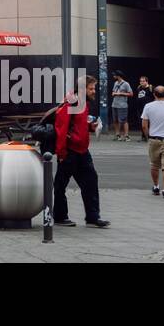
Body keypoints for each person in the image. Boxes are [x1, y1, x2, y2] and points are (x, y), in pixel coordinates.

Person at [52, 76, 110, 228]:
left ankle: (92, 216)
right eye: (91, 88)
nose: (94, 91)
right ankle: (59, 216)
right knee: (60, 184)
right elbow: (61, 128)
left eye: (94, 88)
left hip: (82, 150)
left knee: (91, 181)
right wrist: (61, 153)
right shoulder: (71, 102)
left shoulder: (83, 103)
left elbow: (78, 124)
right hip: (70, 151)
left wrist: (90, 126)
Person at [110, 72, 133, 141]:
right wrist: (113, 93)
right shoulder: (115, 83)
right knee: (115, 120)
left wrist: (120, 93)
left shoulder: (126, 84)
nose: (113, 76)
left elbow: (131, 94)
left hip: (122, 105)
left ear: (118, 76)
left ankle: (126, 136)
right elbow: (113, 91)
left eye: (115, 75)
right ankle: (117, 135)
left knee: (124, 120)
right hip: (114, 104)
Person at [133, 75, 154, 141]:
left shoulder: (151, 88)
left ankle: (150, 136)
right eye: (140, 81)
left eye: (143, 81)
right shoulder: (139, 88)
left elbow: (155, 97)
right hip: (140, 108)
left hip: (149, 108)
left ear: (147, 82)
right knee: (141, 122)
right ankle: (144, 136)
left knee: (149, 122)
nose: (141, 82)